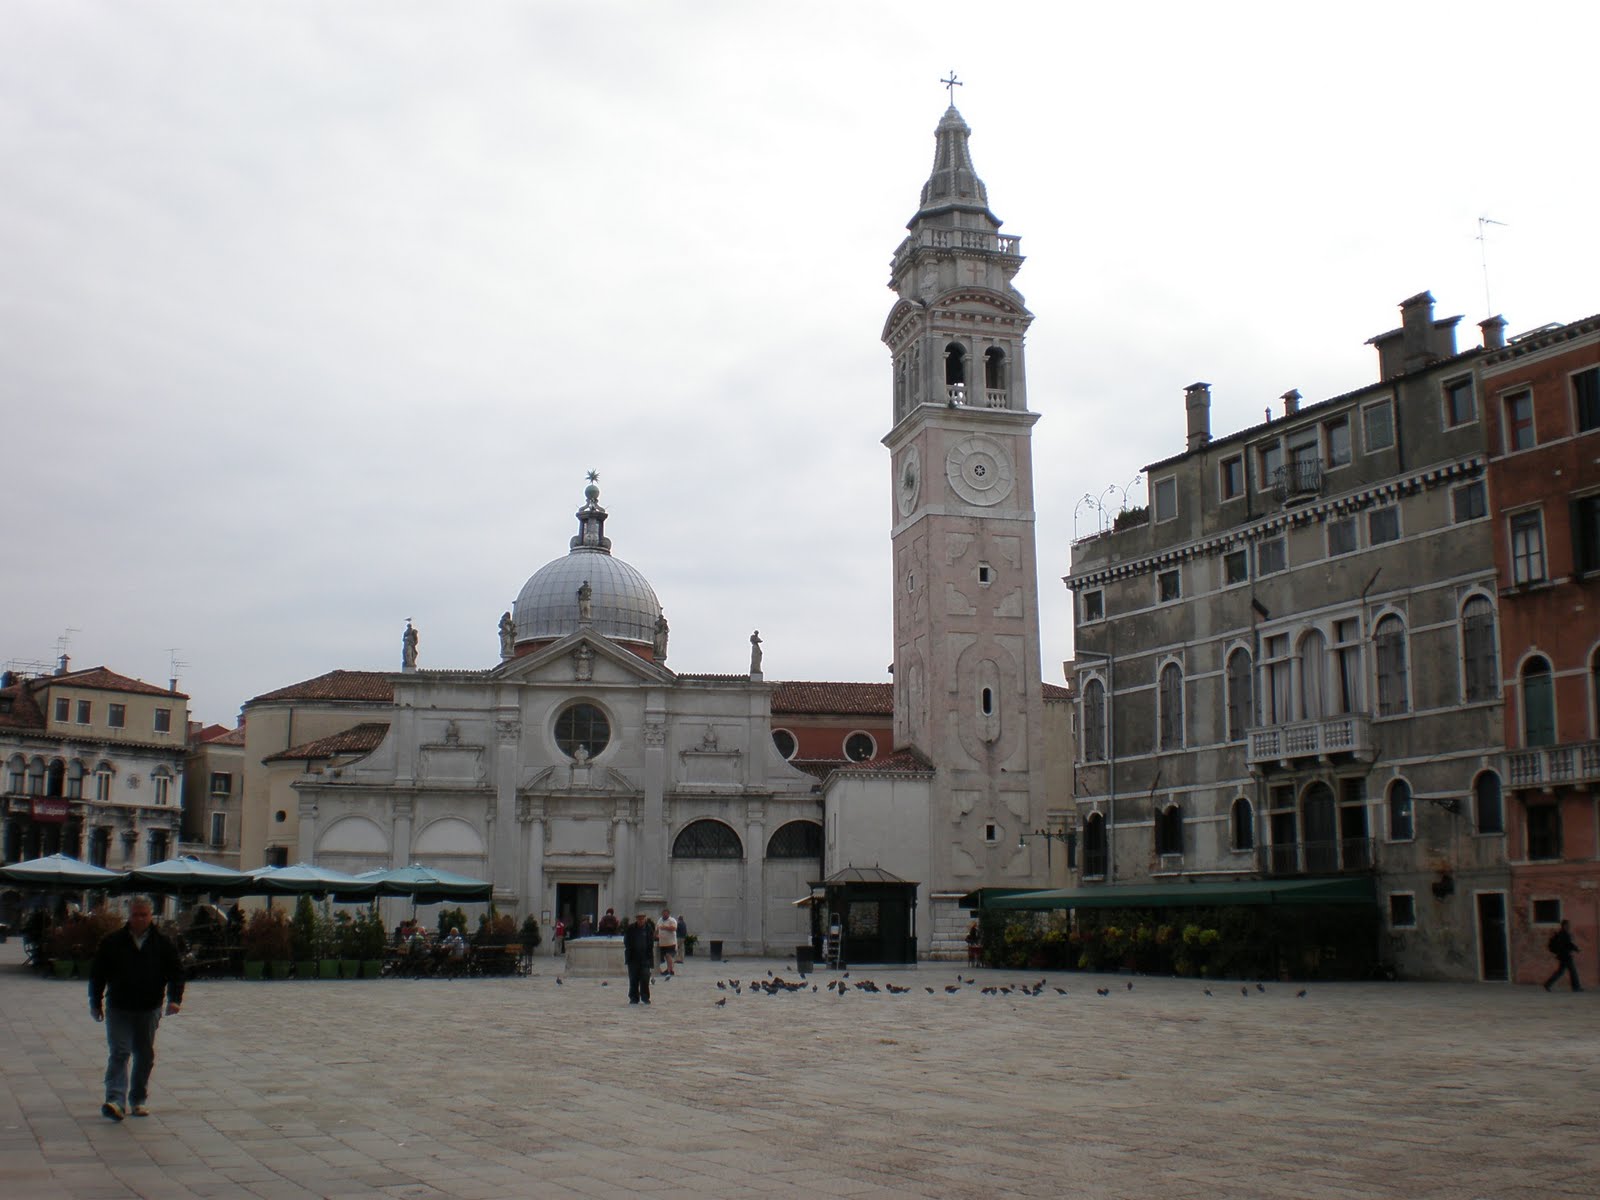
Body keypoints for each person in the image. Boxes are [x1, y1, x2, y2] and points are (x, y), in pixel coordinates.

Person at [88, 896, 184, 1121]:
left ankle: (138, 1099)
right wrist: (95, 1002)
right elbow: (98, 974)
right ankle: (115, 1100)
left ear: (151, 916)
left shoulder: (163, 943)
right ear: (128, 916)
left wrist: (175, 999)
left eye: (144, 914)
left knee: (144, 1054)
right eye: (135, 914)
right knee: (119, 1052)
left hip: (148, 1007)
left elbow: (177, 972)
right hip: (118, 1006)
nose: (139, 919)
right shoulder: (112, 942)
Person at [622, 912, 654, 1005]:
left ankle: (645, 997)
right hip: (633, 958)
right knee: (633, 979)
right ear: (636, 919)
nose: (640, 920)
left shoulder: (648, 929)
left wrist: (649, 957)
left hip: (645, 958)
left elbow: (651, 942)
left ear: (645, 919)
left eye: (642, 918)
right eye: (639, 918)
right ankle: (633, 997)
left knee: (645, 978)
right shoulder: (631, 928)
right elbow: (626, 940)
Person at [1544, 919, 1582, 992]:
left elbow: (1567, 944)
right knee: (1572, 971)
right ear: (1564, 925)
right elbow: (1568, 944)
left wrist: (1574, 948)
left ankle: (1548, 984)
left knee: (1560, 972)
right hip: (1566, 956)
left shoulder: (1561, 933)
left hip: (1562, 955)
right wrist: (1576, 949)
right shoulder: (1564, 934)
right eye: (1568, 925)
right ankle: (1576, 987)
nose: (1569, 926)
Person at [657, 906, 678, 976]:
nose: (664, 915)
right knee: (666, 957)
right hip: (662, 943)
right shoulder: (660, 920)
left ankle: (669, 970)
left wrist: (665, 927)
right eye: (663, 913)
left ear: (668, 914)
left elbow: (674, 928)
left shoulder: (672, 920)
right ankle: (670, 969)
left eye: (666, 914)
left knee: (669, 956)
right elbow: (657, 928)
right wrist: (655, 935)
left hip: (670, 942)